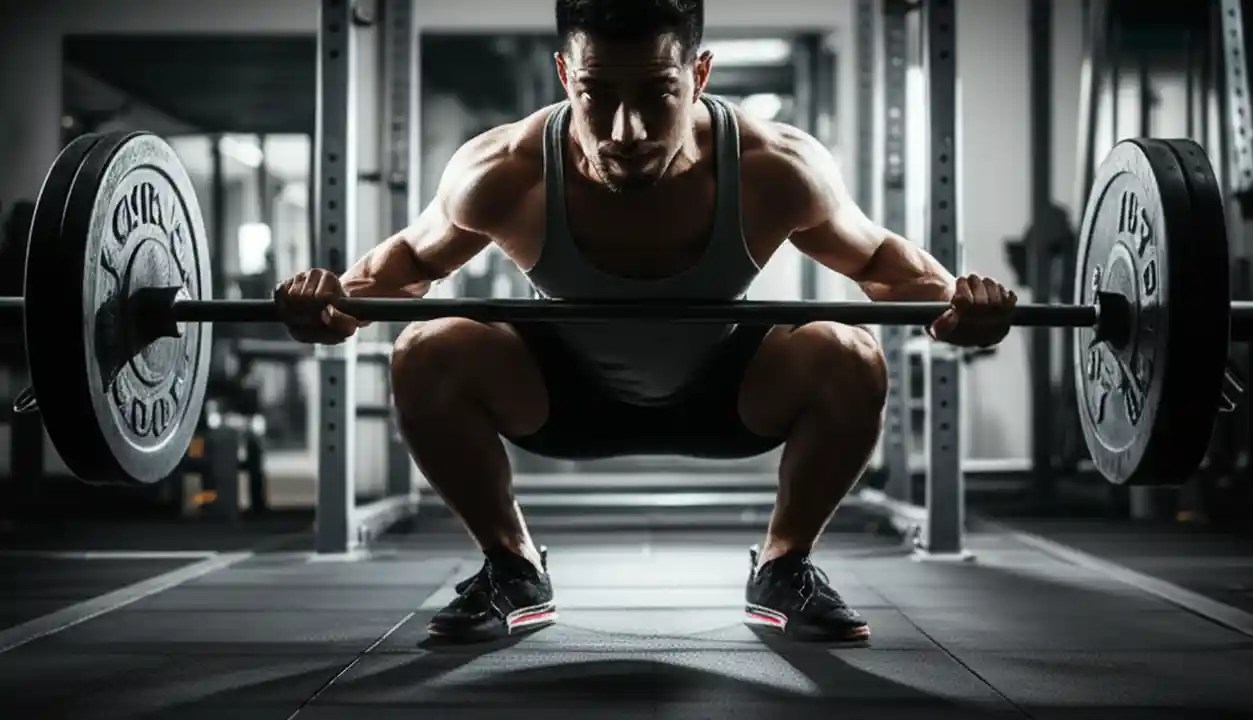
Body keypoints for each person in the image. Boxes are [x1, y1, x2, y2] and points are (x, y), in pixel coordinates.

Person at [275, 0, 1016, 643]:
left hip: (725, 397)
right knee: (427, 349)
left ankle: (785, 567)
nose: (626, 129)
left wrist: (957, 305)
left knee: (849, 355)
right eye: (597, 94)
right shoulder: (506, 170)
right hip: (562, 399)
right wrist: (335, 304)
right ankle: (513, 568)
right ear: (566, 76)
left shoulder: (773, 165)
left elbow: (886, 267)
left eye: (658, 94)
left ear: (698, 75)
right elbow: (401, 268)